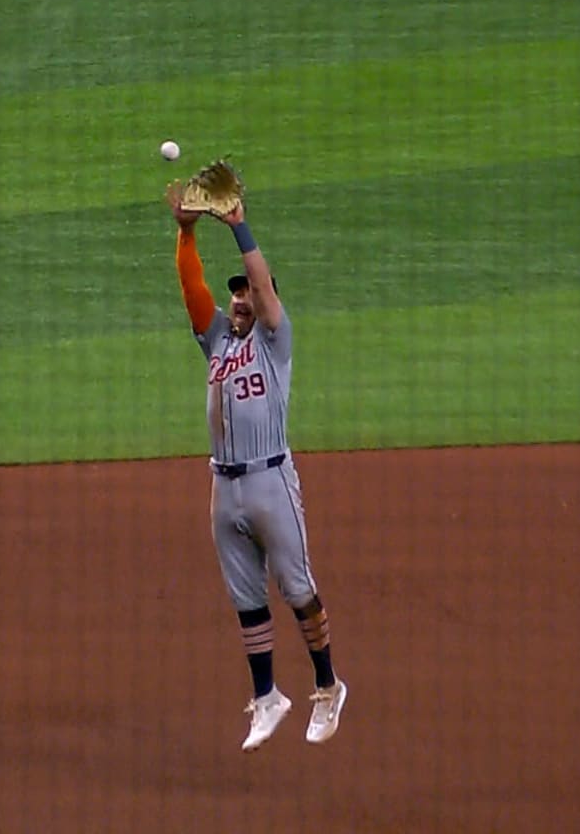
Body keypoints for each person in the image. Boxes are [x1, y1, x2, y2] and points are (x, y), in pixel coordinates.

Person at [167, 190, 347, 751]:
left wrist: (240, 227)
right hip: (224, 484)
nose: (240, 300)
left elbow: (266, 288)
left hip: (271, 481)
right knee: (246, 598)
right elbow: (193, 291)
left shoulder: (275, 340)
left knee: (297, 589)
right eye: (236, 295)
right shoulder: (218, 340)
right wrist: (187, 232)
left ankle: (327, 686)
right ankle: (267, 697)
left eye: (246, 292)